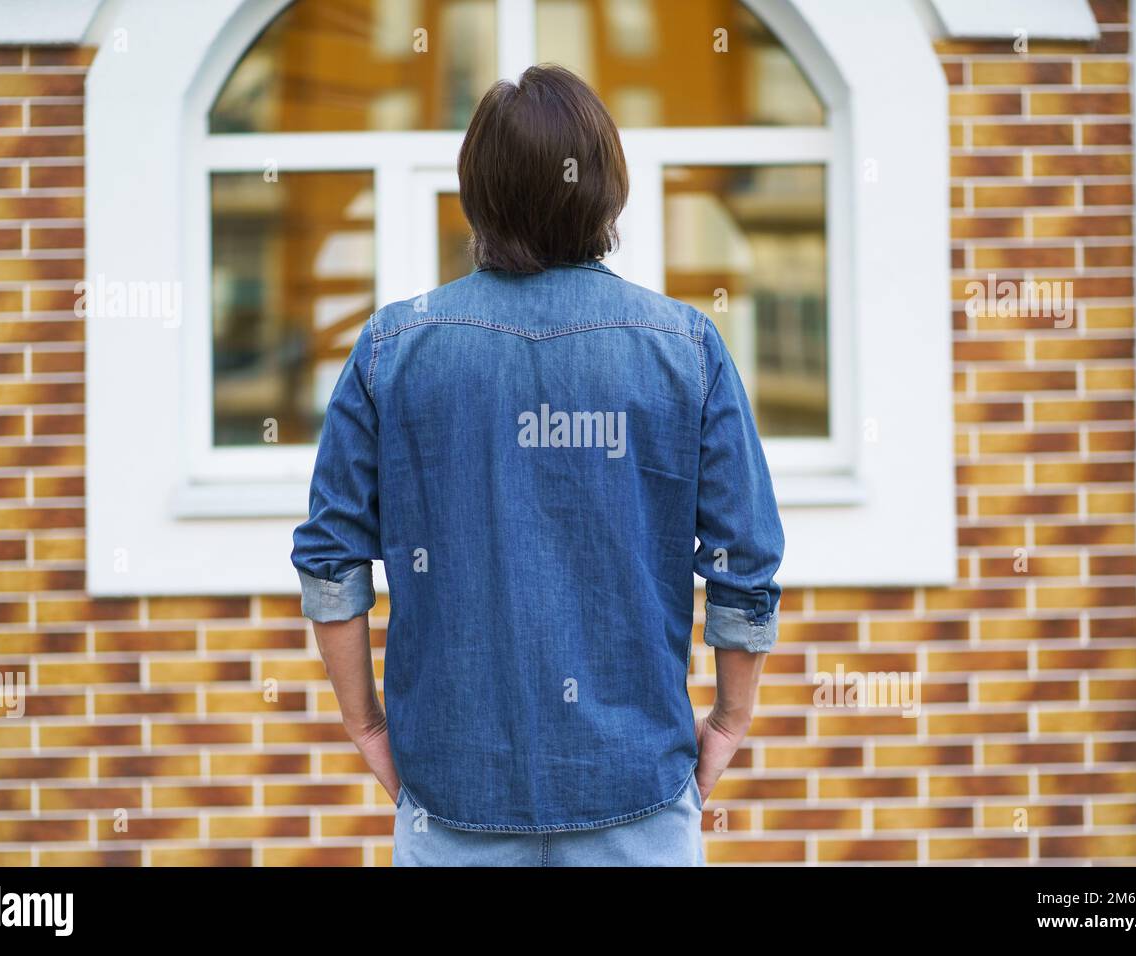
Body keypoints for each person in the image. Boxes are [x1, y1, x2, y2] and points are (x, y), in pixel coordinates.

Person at [291, 64, 784, 867]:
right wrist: (728, 721)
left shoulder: (393, 348)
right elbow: (747, 560)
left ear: (476, 194)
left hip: (453, 794)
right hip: (637, 795)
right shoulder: (685, 347)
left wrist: (367, 724)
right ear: (608, 192)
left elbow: (329, 557)